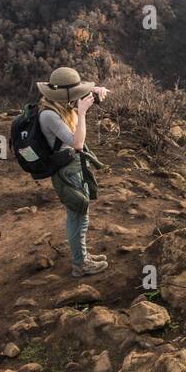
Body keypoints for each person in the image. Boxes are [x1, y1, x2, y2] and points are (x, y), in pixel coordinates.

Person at [34, 66, 110, 277]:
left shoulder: (57, 105)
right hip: (67, 170)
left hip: (72, 167)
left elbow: (74, 115)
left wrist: (93, 93)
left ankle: (82, 255)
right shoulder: (49, 115)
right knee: (78, 214)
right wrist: (83, 111)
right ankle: (80, 264)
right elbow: (77, 142)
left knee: (79, 213)